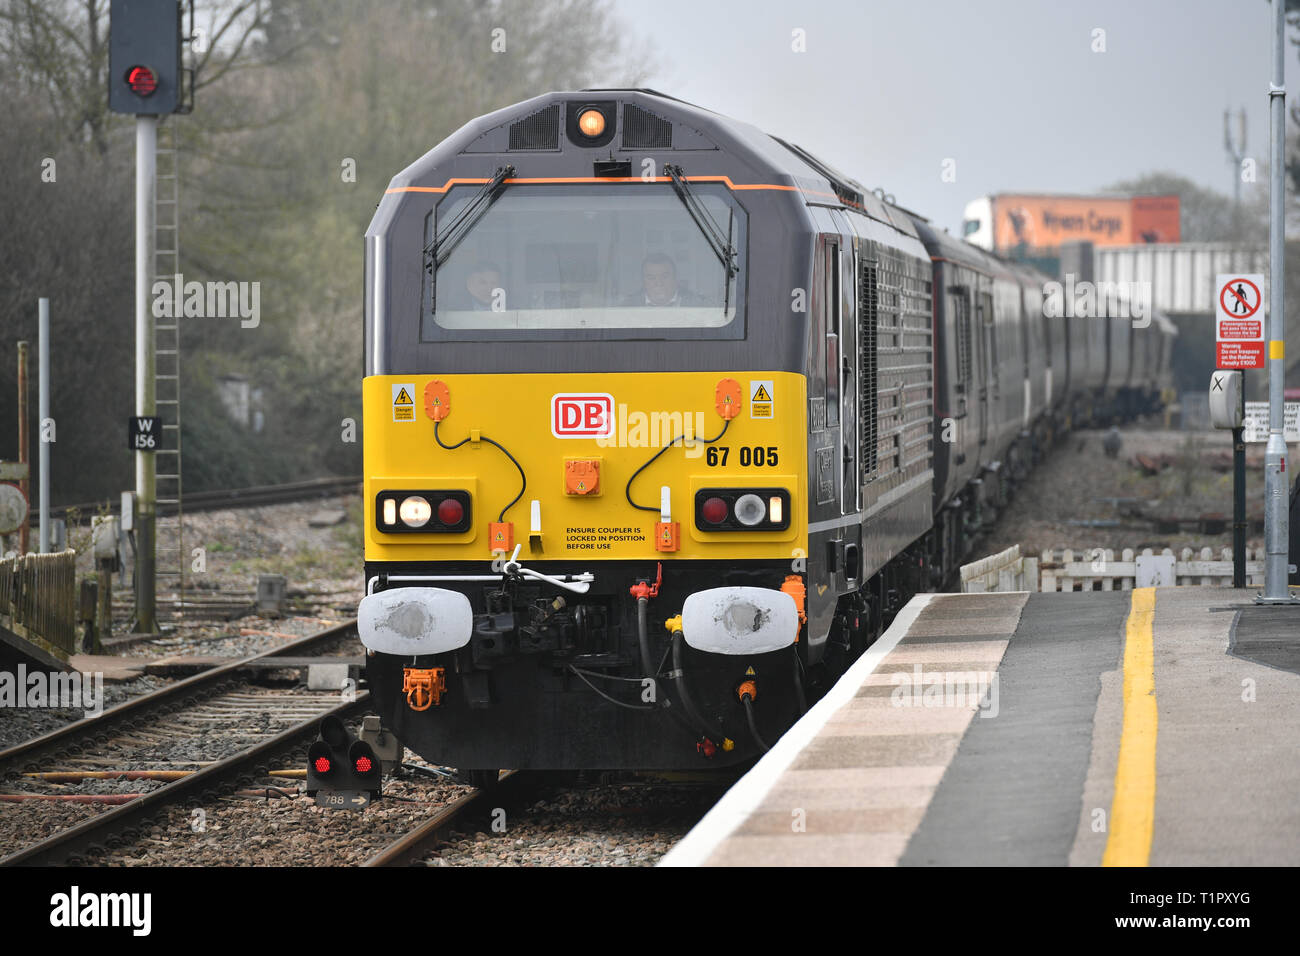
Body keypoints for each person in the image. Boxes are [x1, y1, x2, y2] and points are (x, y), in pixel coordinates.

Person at [621, 253, 702, 306]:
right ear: (643, 281)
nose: (658, 283)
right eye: (651, 278)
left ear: (675, 278)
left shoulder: (698, 305)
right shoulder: (628, 306)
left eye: (665, 276)